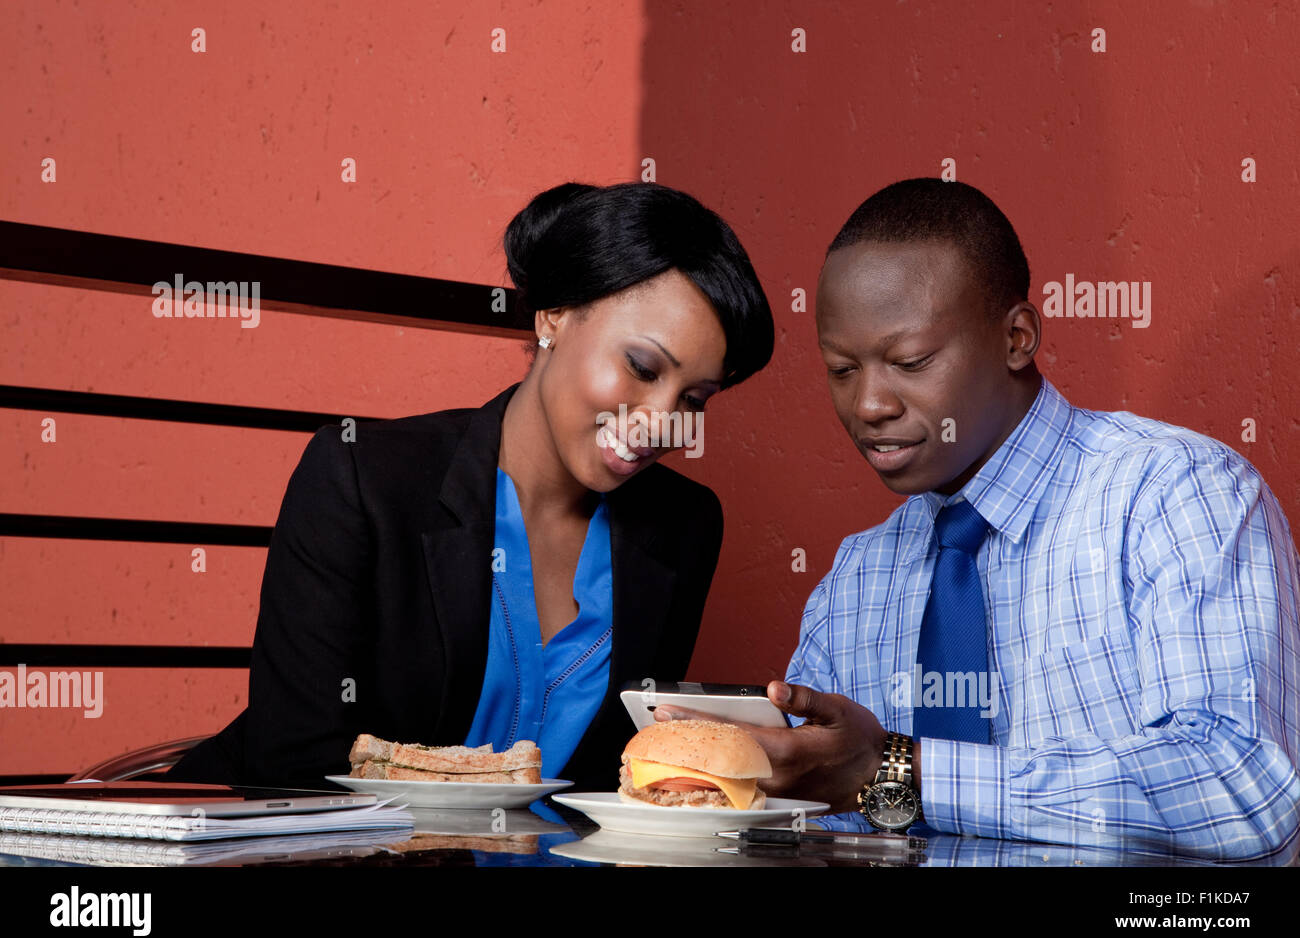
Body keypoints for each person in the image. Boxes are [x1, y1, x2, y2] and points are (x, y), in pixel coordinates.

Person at [655, 178, 1300, 861]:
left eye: (909, 362)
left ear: (1017, 336)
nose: (869, 403)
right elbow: (825, 830)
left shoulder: (1173, 493)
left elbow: (1243, 796)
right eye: (842, 369)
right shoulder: (859, 576)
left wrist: (898, 771)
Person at [168, 181, 774, 791]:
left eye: (694, 399)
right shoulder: (361, 481)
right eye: (642, 368)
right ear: (554, 314)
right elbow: (293, 770)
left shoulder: (683, 527)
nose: (659, 420)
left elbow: (621, 781)